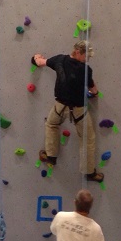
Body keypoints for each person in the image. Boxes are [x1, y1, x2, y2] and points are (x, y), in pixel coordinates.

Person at [33, 40, 103, 183]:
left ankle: (51, 155)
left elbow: (40, 62)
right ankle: (89, 172)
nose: (87, 59)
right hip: (79, 110)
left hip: (60, 106)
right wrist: (95, 94)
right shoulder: (86, 70)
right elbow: (93, 89)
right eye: (86, 56)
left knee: (52, 125)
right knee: (88, 139)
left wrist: (35, 58)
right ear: (77, 52)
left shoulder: (59, 60)